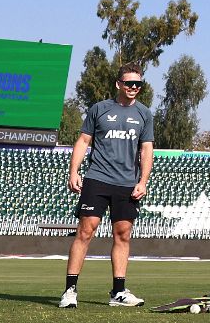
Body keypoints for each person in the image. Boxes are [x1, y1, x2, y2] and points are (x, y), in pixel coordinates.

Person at [60, 63, 153, 308]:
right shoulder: (99, 109)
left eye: (138, 84)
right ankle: (69, 291)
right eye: (129, 83)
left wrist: (143, 181)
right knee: (85, 231)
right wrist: (73, 172)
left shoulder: (144, 114)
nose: (134, 87)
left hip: (127, 184)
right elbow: (83, 141)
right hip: (97, 179)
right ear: (118, 84)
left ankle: (118, 293)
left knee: (123, 235)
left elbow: (146, 149)